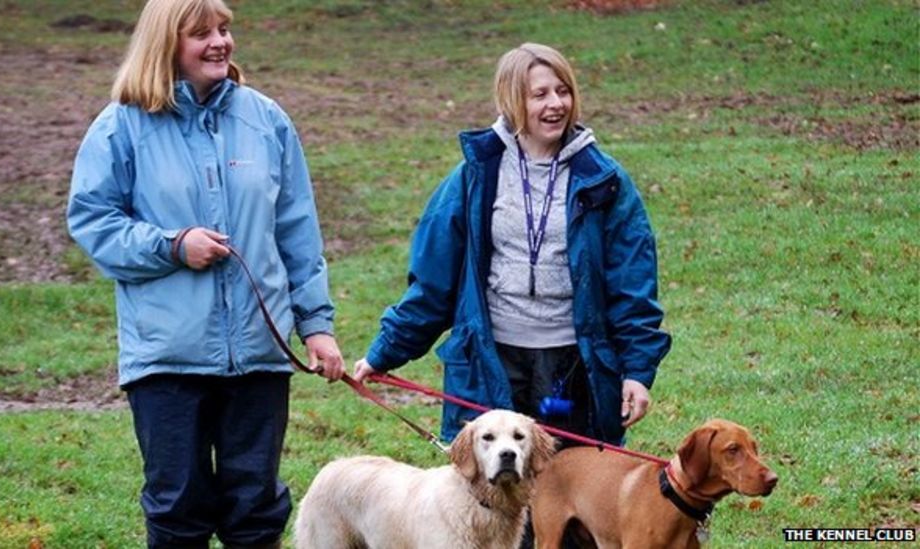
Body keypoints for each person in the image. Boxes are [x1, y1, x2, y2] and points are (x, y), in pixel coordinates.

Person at [66, 1, 344, 547]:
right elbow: (92, 222)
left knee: (256, 509)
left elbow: (298, 234)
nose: (220, 42)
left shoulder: (266, 120)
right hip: (166, 359)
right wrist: (172, 245)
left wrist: (315, 324)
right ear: (165, 44)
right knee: (178, 509)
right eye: (201, 34)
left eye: (224, 29)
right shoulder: (121, 125)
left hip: (259, 358)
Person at [353, 42, 670, 461]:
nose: (555, 104)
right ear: (511, 100)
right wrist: (384, 352)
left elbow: (633, 285)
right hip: (492, 364)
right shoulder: (475, 176)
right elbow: (433, 282)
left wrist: (637, 371)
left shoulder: (603, 181)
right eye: (539, 94)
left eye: (563, 91)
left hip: (572, 366)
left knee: (569, 492)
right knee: (496, 502)